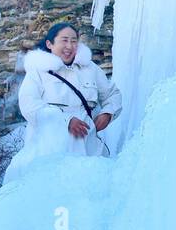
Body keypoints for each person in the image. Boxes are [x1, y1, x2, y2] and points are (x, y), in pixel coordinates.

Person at [17, 22, 122, 158]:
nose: (69, 46)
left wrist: (108, 113)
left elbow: (112, 94)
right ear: (49, 44)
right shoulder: (38, 71)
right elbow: (29, 105)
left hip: (90, 149)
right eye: (64, 40)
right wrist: (66, 121)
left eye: (74, 41)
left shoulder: (90, 68)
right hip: (49, 150)